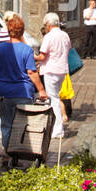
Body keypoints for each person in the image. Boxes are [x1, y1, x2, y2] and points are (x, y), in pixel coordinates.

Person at [0, 14, 47, 151]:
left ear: (8, 31)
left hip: (3, 92)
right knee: (22, 124)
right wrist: (41, 90)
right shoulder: (26, 50)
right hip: (22, 92)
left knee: (6, 124)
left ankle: (6, 152)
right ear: (22, 31)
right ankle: (19, 151)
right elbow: (31, 72)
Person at [34, 12, 71, 140]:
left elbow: (42, 56)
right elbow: (68, 49)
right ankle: (51, 126)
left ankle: (57, 129)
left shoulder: (49, 37)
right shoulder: (65, 35)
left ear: (48, 25)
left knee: (53, 99)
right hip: (62, 70)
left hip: (51, 70)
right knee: (54, 98)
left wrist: (31, 56)